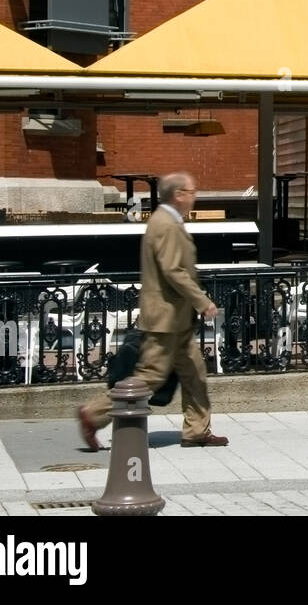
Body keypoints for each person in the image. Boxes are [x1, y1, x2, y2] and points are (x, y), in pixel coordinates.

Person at [78, 172, 229, 449]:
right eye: (192, 192)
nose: (195, 197)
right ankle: (94, 413)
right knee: (151, 376)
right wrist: (202, 301)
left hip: (177, 318)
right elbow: (174, 270)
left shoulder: (169, 221)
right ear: (178, 194)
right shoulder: (165, 224)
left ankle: (197, 430)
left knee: (195, 374)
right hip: (165, 318)